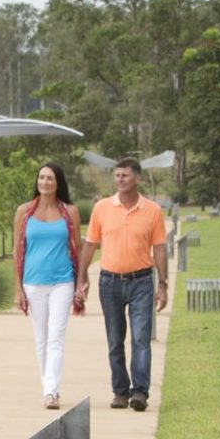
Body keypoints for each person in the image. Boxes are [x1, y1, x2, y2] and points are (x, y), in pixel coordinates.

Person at [79, 157, 169, 411]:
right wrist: (82, 276)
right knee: (114, 340)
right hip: (109, 283)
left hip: (142, 281)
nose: (120, 179)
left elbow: (160, 249)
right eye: (117, 175)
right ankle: (120, 391)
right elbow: (90, 244)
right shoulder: (102, 208)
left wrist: (162, 284)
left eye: (125, 175)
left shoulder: (152, 210)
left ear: (137, 178)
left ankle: (139, 392)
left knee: (141, 338)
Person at [13, 162, 83, 409]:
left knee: (56, 337)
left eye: (50, 178)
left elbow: (78, 248)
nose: (44, 182)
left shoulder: (70, 211)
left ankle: (50, 392)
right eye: (41, 178)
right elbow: (16, 250)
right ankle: (49, 387)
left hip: (62, 281)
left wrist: (81, 281)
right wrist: (18, 288)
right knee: (41, 339)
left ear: (58, 183)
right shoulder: (24, 212)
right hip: (33, 282)